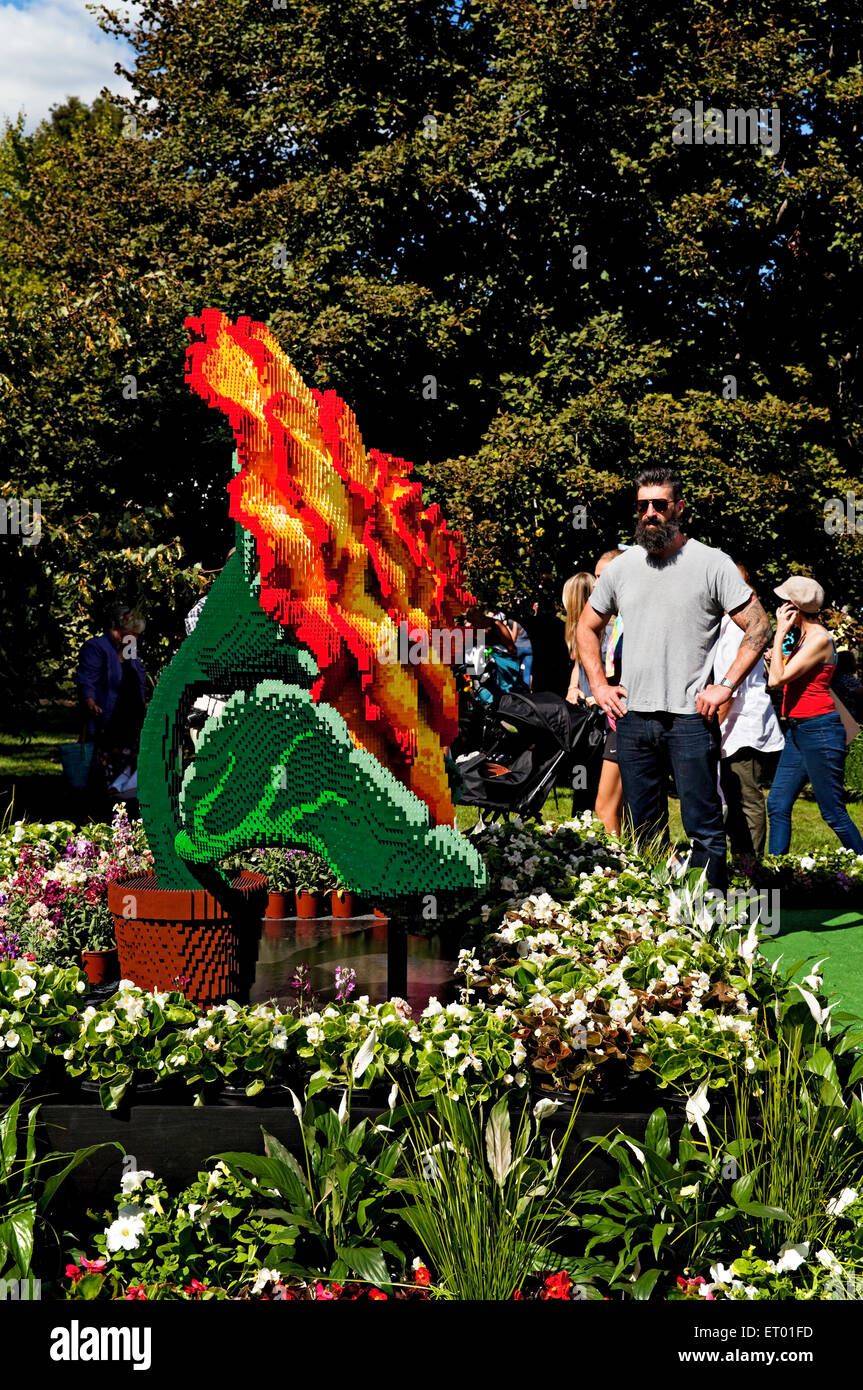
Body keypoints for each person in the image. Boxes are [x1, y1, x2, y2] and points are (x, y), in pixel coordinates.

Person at [576, 468, 770, 891]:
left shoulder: (712, 563)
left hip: (690, 721)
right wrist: (601, 684)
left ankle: (708, 919)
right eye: (642, 506)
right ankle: (661, 917)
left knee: (703, 825)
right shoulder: (622, 567)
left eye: (659, 505)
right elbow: (585, 627)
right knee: (644, 829)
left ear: (679, 509)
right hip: (633, 718)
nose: (649, 513)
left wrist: (727, 685)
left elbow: (758, 627)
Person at [765, 576, 863, 855]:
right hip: (799, 730)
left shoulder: (819, 639)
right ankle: (777, 875)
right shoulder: (804, 638)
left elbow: (776, 681)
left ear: (795, 607)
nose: (780, 607)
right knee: (777, 804)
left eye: (784, 602)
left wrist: (780, 632)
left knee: (833, 812)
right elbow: (780, 674)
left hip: (819, 730)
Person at [714, 565, 785, 863]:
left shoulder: (735, 628)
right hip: (739, 723)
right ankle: (742, 861)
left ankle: (750, 866)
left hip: (741, 725)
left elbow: (732, 685)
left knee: (746, 799)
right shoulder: (730, 624)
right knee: (736, 796)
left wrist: (714, 726)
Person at [77, 605, 148, 802]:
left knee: (129, 770)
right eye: (132, 632)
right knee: (101, 774)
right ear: (118, 629)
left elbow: (138, 677)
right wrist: (90, 701)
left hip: (131, 720)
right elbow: (87, 678)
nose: (135, 637)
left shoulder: (129, 649)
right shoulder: (96, 647)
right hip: (106, 720)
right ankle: (100, 809)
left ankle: (124, 806)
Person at [493, 606, 533, 687]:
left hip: (519, 648)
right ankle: (527, 690)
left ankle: (518, 690)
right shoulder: (529, 621)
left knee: (514, 669)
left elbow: (513, 637)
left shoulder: (515, 621)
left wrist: (507, 628)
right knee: (527, 671)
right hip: (529, 647)